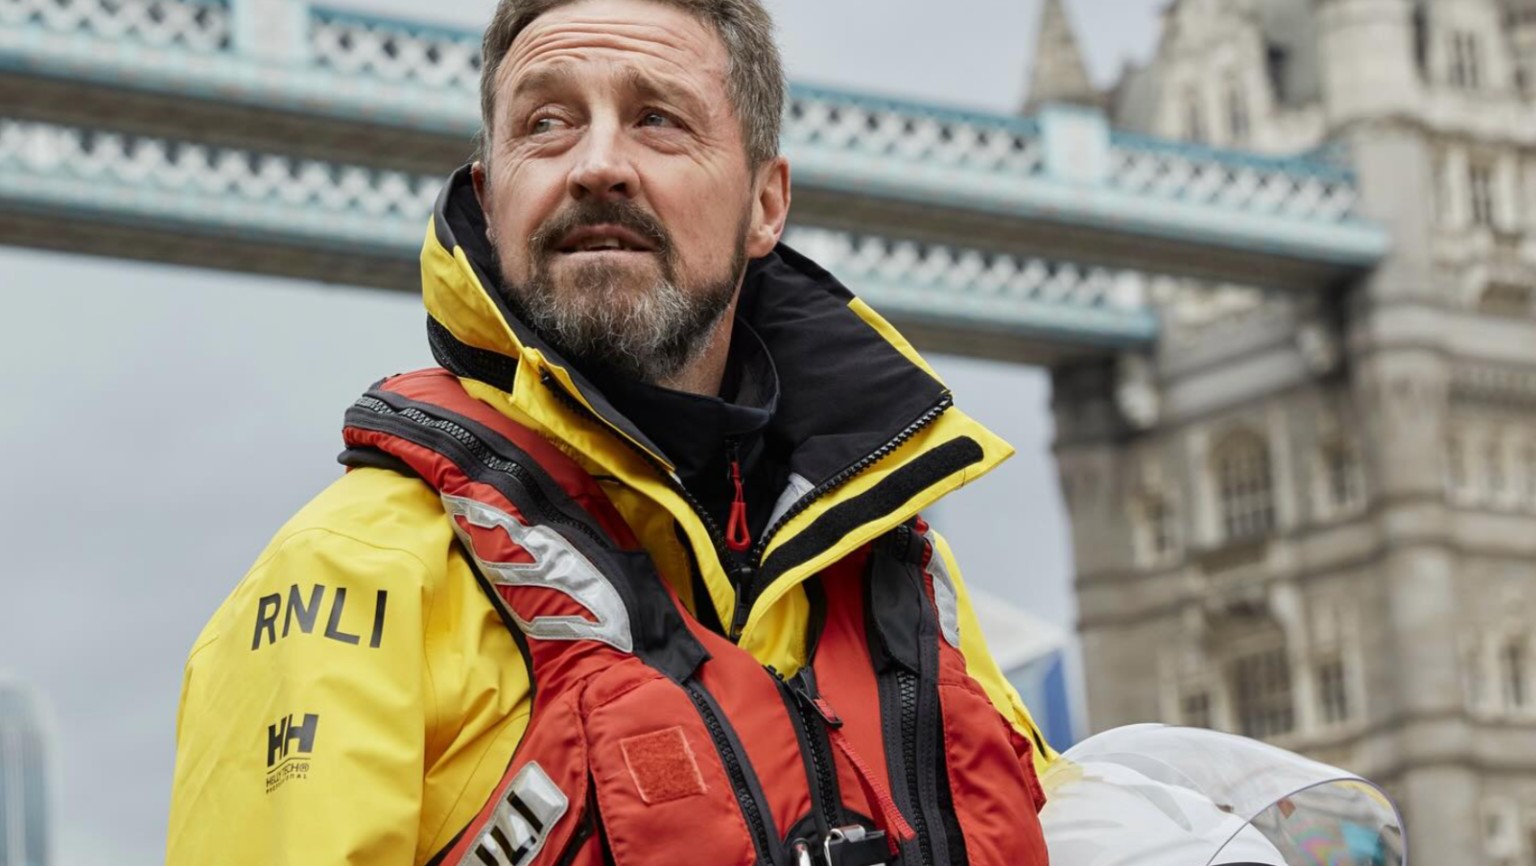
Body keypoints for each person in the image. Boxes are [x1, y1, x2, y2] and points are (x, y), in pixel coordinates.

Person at [166, 0, 1056, 863]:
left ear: (765, 204)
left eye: (658, 120)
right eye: (546, 123)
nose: (597, 164)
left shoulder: (898, 569)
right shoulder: (349, 573)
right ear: (490, 193)